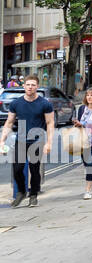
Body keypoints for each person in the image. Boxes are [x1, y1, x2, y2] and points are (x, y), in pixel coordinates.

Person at [1, 76, 55, 207]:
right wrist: (2, 141)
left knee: (34, 169)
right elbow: (9, 122)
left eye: (33, 85)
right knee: (17, 169)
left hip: (37, 140)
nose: (30, 87)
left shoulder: (45, 104)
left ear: (37, 87)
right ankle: (21, 192)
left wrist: (49, 143)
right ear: (24, 86)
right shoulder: (16, 103)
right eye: (28, 84)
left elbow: (50, 123)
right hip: (21, 140)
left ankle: (33, 195)